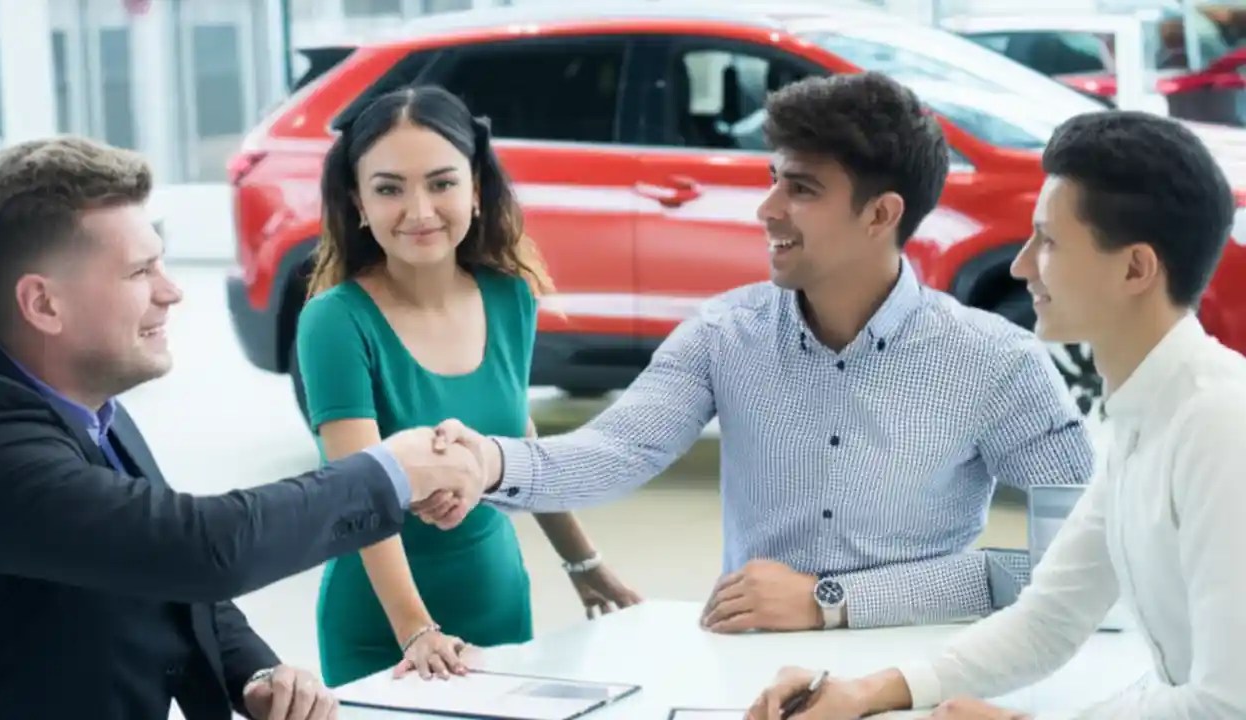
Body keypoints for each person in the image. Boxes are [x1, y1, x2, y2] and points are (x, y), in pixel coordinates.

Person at [429, 72, 1094, 634]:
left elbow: (1081, 559)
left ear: (881, 215)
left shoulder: (997, 363)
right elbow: (619, 451)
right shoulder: (724, 334)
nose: (766, 209)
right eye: (774, 180)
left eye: (801, 190)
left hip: (920, 672)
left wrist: (833, 603)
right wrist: (487, 462)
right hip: (750, 669)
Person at [0, 136, 487, 720]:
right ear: (42, 304)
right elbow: (197, 547)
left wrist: (253, 673)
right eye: (141, 271)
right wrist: (393, 473)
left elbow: (162, 571)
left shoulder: (88, 406)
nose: (172, 290)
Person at [747, 111, 1246, 718]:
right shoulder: (1148, 414)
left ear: (1136, 268)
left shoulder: (1219, 425)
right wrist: (864, 690)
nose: (1021, 265)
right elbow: (1048, 619)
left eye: (1050, 242)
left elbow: (1227, 704)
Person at [294, 85, 640, 688]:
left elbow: (519, 440)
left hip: (497, 599)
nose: (420, 210)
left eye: (441, 182)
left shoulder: (509, 296)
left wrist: (583, 563)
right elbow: (357, 495)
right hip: (383, 623)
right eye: (389, 188)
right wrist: (416, 631)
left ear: (476, 189)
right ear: (357, 202)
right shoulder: (334, 320)